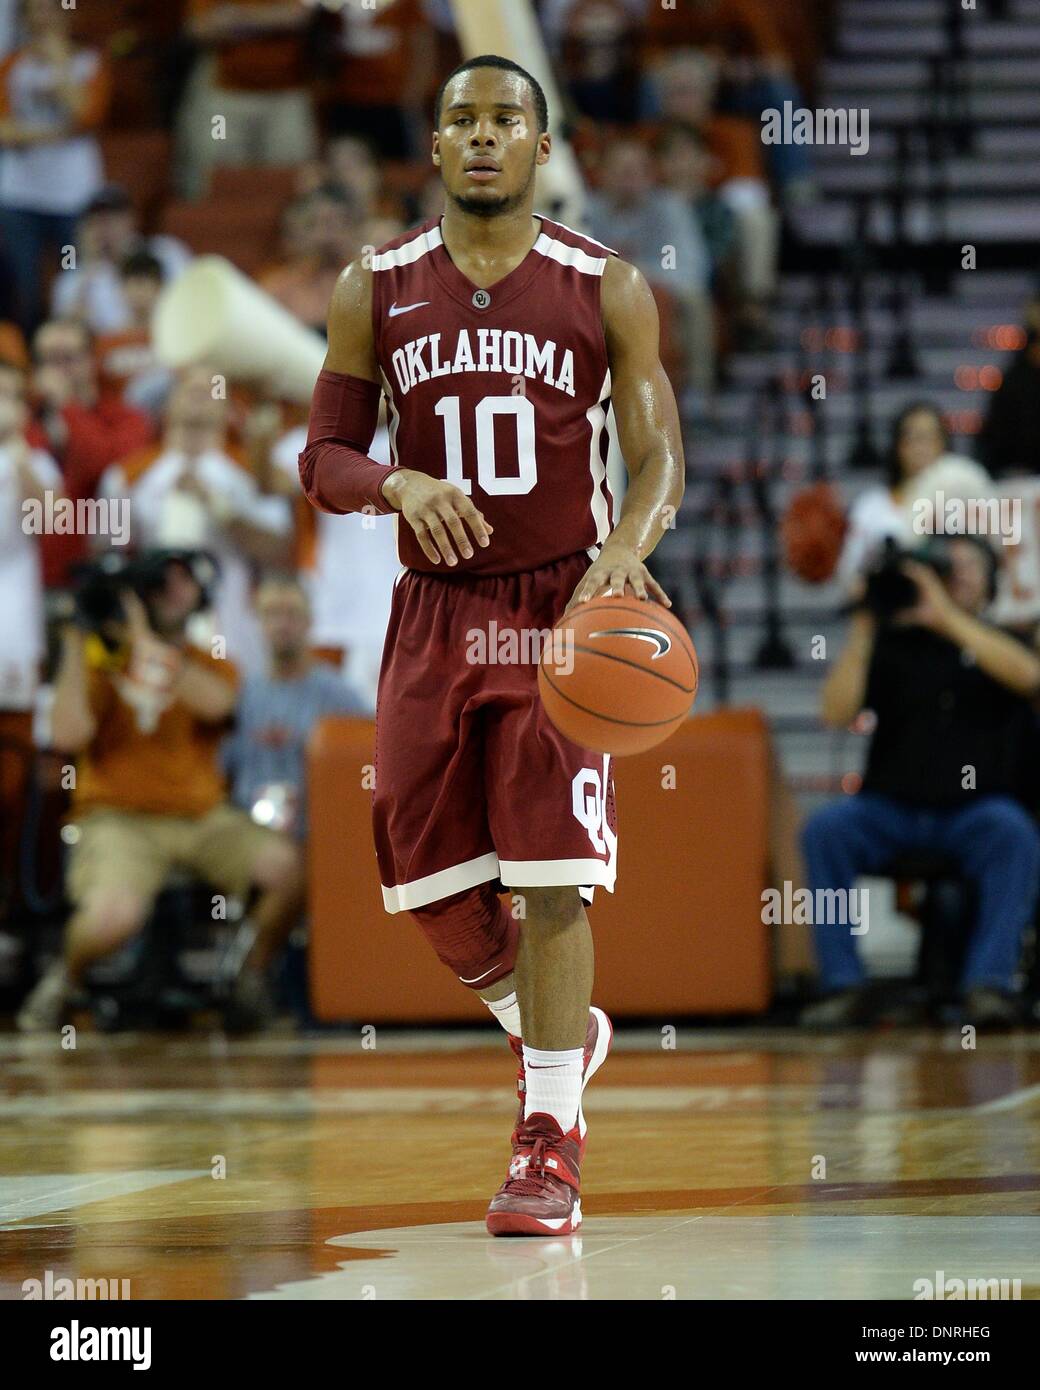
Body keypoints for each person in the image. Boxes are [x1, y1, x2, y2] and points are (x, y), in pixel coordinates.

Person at [299, 54, 684, 1236]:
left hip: (558, 609)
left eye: (503, 119)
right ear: (432, 146)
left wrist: (626, 542)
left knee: (553, 874)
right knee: (424, 881)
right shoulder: (375, 282)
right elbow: (321, 459)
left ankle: (549, 1137)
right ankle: (552, 1029)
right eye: (459, 119)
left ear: (540, 144)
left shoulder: (605, 283)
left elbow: (658, 448)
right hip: (430, 611)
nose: (481, 137)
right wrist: (394, 479)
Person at [17, 553, 306, 1034]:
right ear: (140, 594)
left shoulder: (211, 662)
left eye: (183, 583)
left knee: (287, 868)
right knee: (113, 917)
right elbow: (67, 736)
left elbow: (217, 703)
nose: (172, 592)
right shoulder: (99, 661)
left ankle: (248, 977)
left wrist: (140, 641)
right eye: (160, 584)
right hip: (116, 817)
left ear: (200, 595)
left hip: (201, 815)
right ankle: (65, 979)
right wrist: (76, 640)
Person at [802, 537, 1040, 1030]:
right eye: (946, 565)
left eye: (970, 566)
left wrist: (946, 618)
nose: (956, 574)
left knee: (1014, 832)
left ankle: (988, 985)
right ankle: (843, 986)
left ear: (992, 581)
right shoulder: (893, 644)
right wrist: (866, 624)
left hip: (974, 814)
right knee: (825, 830)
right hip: (890, 810)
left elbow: (1031, 679)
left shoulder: (1005, 641)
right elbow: (835, 712)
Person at [98, 367, 293, 675]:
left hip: (231, 620)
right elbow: (107, 553)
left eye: (212, 388)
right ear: (167, 405)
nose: (200, 393)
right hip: (156, 620)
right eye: (189, 387)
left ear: (229, 410)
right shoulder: (127, 474)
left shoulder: (253, 473)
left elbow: (280, 552)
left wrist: (221, 510)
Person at [223, 573, 365, 843]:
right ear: (259, 622)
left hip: (318, 835)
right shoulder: (243, 692)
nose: (281, 624)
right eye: (271, 614)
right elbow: (224, 766)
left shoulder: (339, 696)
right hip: (246, 832)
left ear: (309, 621)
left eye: (292, 614)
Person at [0, 0, 111, 331]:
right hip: (21, 193)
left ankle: (72, 350)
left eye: (52, 8)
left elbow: (85, 114)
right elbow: (4, 131)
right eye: (37, 9)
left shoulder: (89, 63)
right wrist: (59, 133)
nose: (44, 17)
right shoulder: (12, 66)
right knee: (24, 286)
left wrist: (60, 62)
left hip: (73, 194)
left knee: (73, 280)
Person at [27, 317, 154, 588]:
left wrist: (67, 407)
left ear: (91, 360)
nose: (57, 371)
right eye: (47, 360)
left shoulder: (127, 418)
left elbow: (103, 468)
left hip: (106, 577)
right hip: (34, 579)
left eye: (68, 358)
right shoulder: (25, 424)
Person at [586, 136, 714, 393]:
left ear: (650, 174)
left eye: (638, 170)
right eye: (622, 170)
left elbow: (690, 269)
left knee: (695, 300)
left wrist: (633, 273)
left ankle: (700, 391)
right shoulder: (586, 210)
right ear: (602, 174)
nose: (630, 177)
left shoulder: (670, 209)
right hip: (595, 294)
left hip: (657, 293)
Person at [837, 401, 995, 589]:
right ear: (898, 446)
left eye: (932, 437)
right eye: (914, 437)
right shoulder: (871, 506)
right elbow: (850, 574)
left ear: (944, 444)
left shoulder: (965, 502)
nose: (923, 447)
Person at [51, 184, 192, 336]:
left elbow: (192, 301)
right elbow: (64, 330)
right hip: (108, 350)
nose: (106, 229)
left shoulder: (166, 251)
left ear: (132, 220)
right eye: (97, 222)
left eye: (113, 220)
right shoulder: (73, 277)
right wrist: (87, 268)